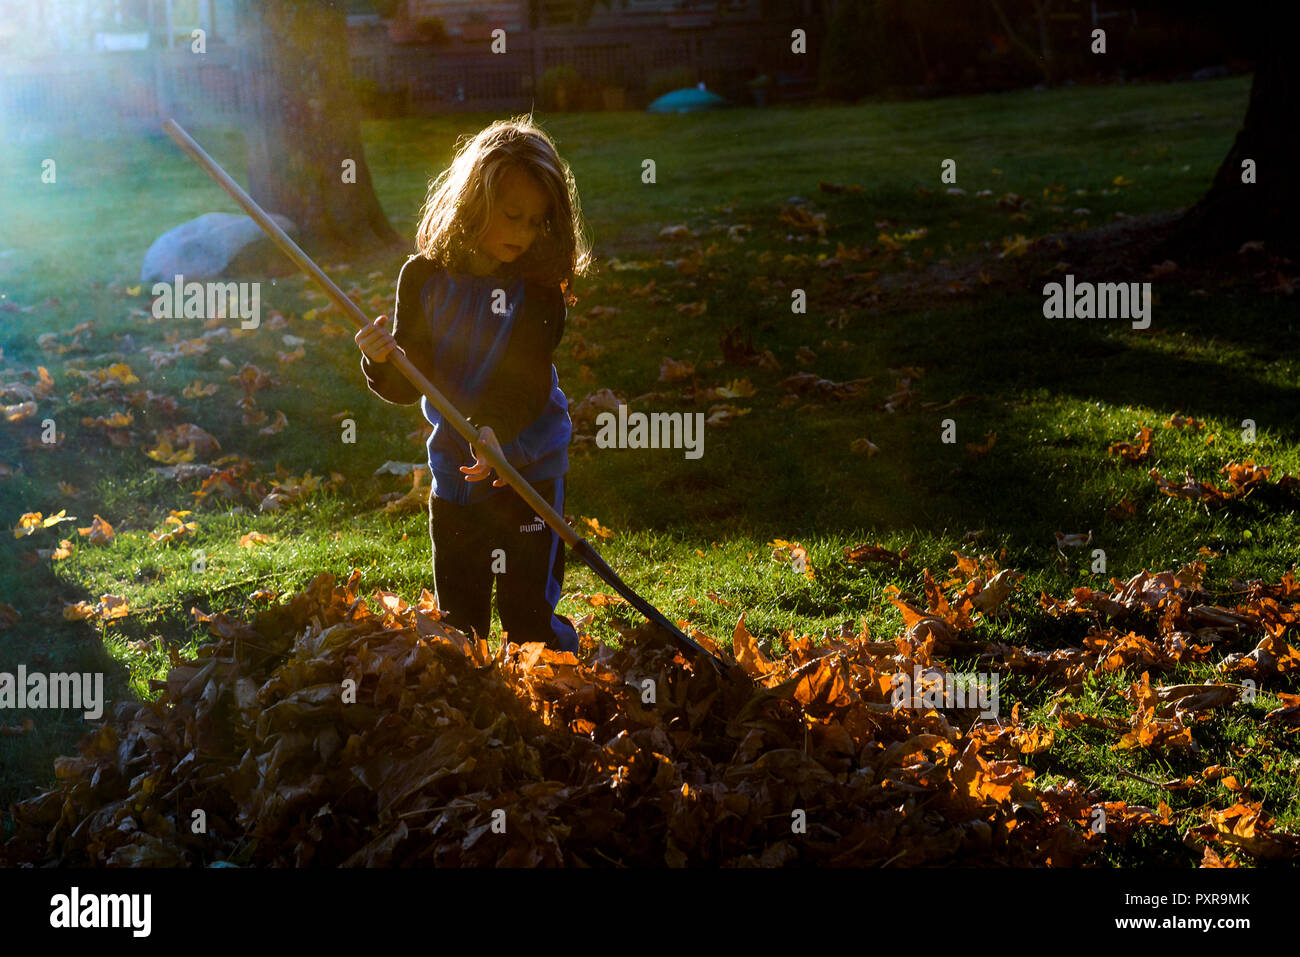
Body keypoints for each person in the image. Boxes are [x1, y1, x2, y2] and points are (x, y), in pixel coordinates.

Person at [355, 114, 591, 653]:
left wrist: (496, 431)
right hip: (456, 470)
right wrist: (380, 359)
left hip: (524, 465)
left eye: (537, 221)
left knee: (528, 616)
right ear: (474, 205)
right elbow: (407, 381)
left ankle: (557, 689)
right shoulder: (423, 279)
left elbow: (527, 381)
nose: (525, 233)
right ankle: (471, 709)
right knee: (461, 618)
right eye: (512, 216)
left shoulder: (538, 291)